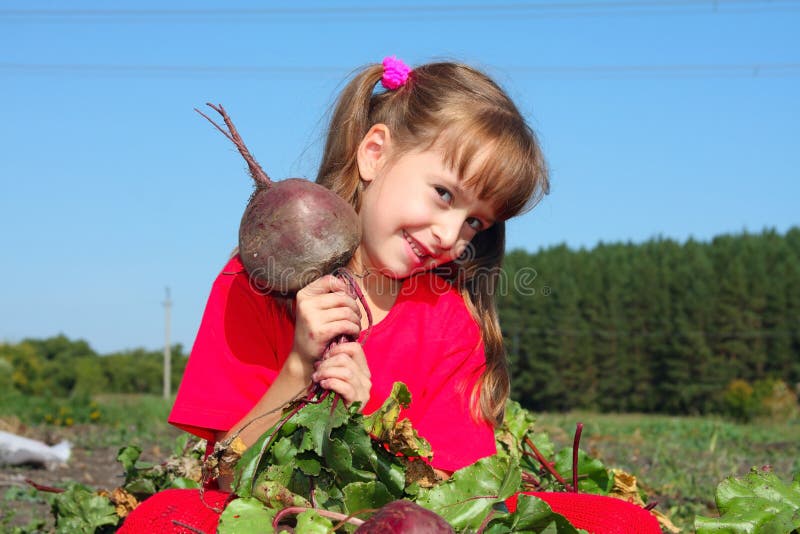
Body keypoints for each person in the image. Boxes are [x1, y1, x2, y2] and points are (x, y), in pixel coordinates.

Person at [120, 57, 661, 534]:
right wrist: (298, 366)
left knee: (621, 521)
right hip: (271, 516)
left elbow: (451, 496)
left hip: (396, 518)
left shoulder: (450, 321)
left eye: (475, 221)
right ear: (374, 154)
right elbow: (221, 473)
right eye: (443, 194)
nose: (451, 235)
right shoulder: (255, 280)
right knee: (164, 515)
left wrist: (368, 416)